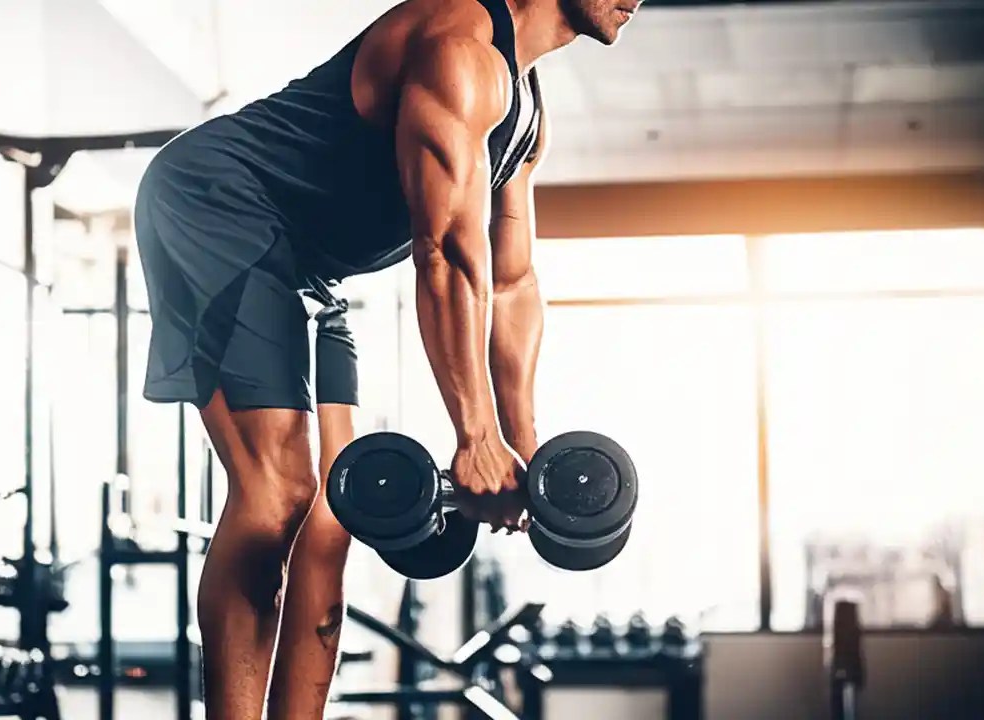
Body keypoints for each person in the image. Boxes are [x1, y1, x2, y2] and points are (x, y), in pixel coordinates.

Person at [132, 0, 643, 716]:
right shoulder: (458, 50)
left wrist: (520, 443)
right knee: (278, 491)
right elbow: (445, 255)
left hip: (311, 267)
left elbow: (509, 279)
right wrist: (473, 437)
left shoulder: (525, 107)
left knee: (333, 513)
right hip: (218, 204)